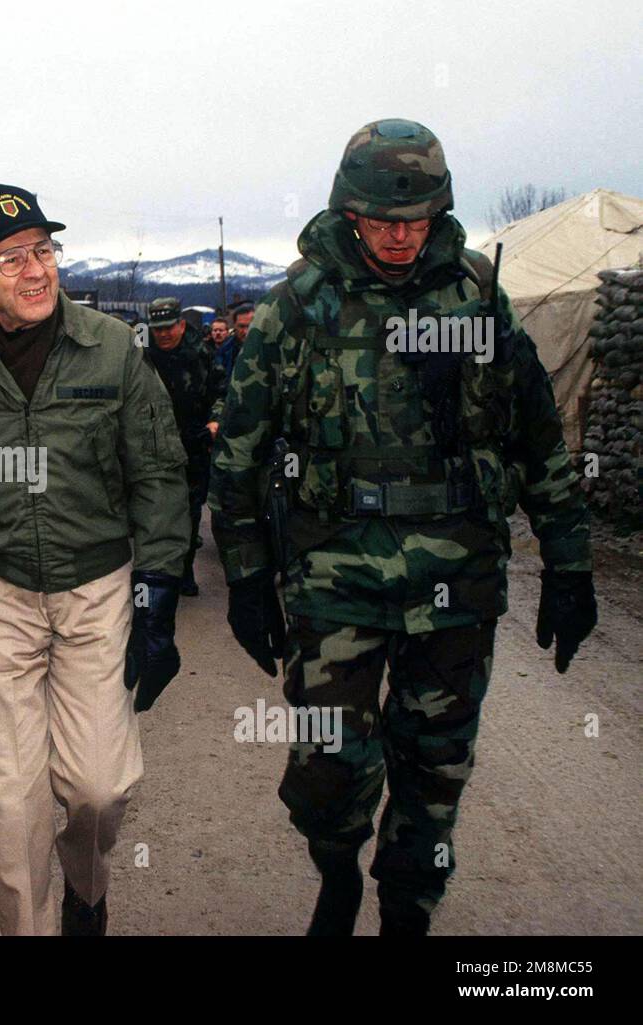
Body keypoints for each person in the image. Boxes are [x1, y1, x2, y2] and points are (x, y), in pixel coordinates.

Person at [207, 119, 597, 936]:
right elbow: (238, 456)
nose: (398, 236)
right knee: (327, 768)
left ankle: (407, 910)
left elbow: (533, 434)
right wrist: (246, 577)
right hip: (335, 577)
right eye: (383, 220)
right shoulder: (297, 310)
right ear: (348, 211)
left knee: (436, 765)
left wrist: (569, 562)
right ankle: (336, 865)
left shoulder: (476, 297)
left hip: (456, 581)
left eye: (416, 219)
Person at [0, 183, 189, 935]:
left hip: (96, 588)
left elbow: (156, 470)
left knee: (97, 788)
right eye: (12, 257)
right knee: (12, 797)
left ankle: (87, 888)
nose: (35, 270)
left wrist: (159, 593)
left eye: (44, 250)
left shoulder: (111, 348)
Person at [146, 297, 222, 596]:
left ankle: (185, 568)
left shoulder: (200, 354)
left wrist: (215, 421)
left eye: (168, 328)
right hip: (151, 447)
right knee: (155, 516)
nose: (162, 334)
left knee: (189, 514)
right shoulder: (142, 356)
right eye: (157, 329)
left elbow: (221, 392)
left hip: (191, 445)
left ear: (180, 325)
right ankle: (158, 573)